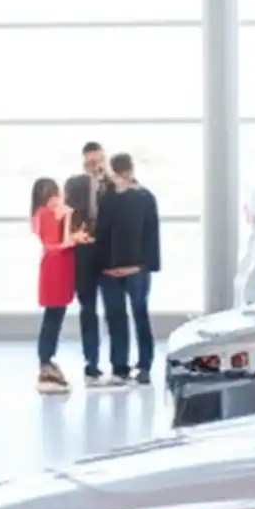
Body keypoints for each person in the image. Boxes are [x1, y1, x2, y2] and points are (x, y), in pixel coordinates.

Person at [94, 153, 161, 385]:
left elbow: (151, 236)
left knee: (140, 314)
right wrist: (103, 267)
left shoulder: (145, 197)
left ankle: (144, 366)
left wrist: (140, 267)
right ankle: (119, 367)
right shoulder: (106, 197)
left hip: (136, 271)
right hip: (109, 271)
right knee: (115, 318)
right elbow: (101, 233)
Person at [63, 142, 126, 388]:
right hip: (84, 254)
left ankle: (120, 367)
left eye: (98, 161)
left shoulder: (115, 185)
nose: (94, 166)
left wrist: (108, 177)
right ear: (83, 162)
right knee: (88, 310)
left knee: (115, 310)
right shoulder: (74, 184)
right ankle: (91, 366)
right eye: (90, 162)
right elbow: (68, 216)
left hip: (110, 254)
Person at [30, 177, 86, 395]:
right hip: (55, 267)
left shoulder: (42, 214)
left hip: (58, 267)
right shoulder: (46, 214)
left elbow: (62, 240)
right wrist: (69, 221)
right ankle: (45, 360)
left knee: (54, 315)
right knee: (53, 316)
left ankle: (47, 360)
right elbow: (58, 244)